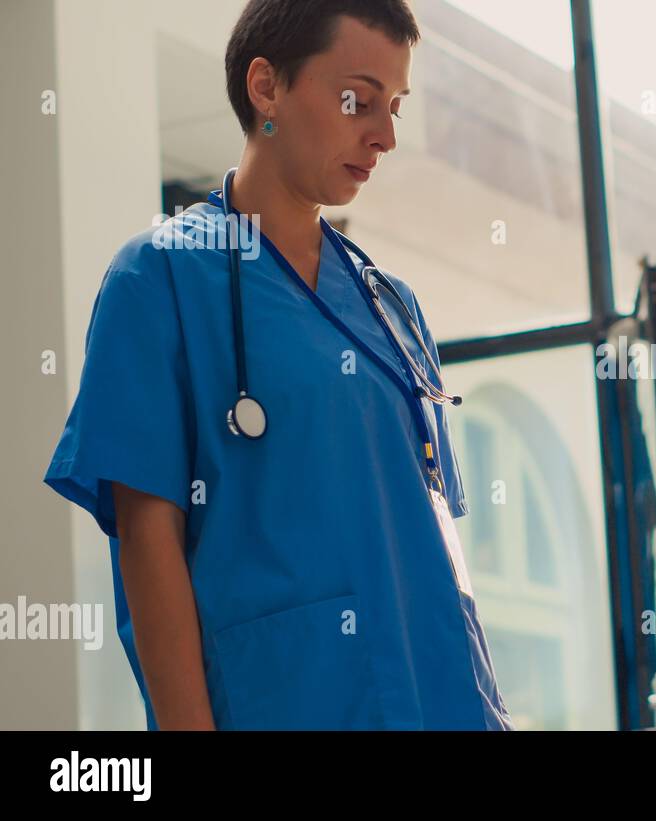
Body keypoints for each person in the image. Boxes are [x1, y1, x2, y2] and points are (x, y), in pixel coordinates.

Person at [43, 0, 512, 730]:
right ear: (267, 87)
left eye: (396, 107)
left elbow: (435, 551)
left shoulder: (394, 307)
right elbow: (148, 542)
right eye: (358, 98)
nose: (385, 135)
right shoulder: (159, 277)